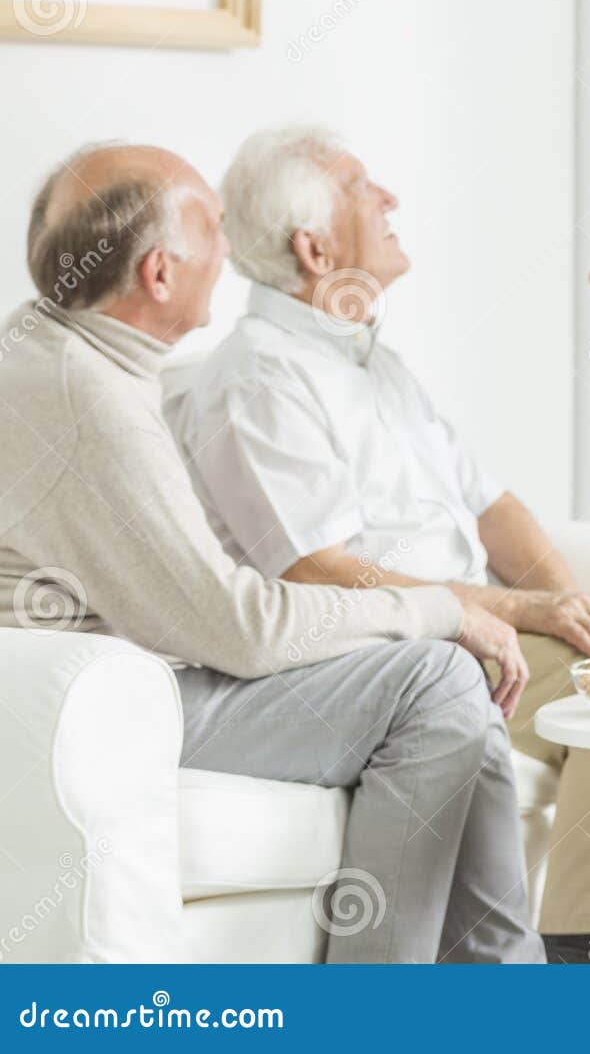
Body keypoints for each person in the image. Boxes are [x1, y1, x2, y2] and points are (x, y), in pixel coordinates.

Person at [165, 125, 590, 964]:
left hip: (477, 633)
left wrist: (581, 612)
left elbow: (493, 509)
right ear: (315, 248)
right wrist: (523, 610)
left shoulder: (375, 365)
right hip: (386, 655)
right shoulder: (255, 379)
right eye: (363, 189)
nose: (389, 199)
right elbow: (318, 572)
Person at [0, 143, 541, 963]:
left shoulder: (53, 352)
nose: (229, 254)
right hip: (107, 702)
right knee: (436, 677)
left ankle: (508, 990)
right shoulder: (90, 400)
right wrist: (444, 609)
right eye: (215, 232)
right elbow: (239, 628)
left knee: (450, 686)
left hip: (119, 680)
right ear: (157, 274)